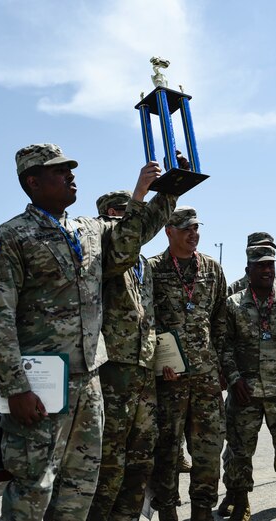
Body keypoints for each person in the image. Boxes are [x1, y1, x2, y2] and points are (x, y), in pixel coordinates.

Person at [0, 143, 177, 521]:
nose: (71, 176)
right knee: (32, 489)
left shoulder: (87, 230)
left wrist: (169, 190)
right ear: (32, 182)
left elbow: (133, 236)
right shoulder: (10, 237)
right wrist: (15, 387)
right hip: (39, 387)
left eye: (70, 169)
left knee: (79, 488)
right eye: (59, 171)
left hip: (89, 384)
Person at [220, 231, 276, 518]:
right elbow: (224, 345)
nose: (266, 269)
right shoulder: (233, 302)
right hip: (244, 391)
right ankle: (239, 499)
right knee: (238, 449)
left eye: (270, 263)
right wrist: (233, 378)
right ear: (248, 267)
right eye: (260, 264)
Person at [148, 206, 227, 521]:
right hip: (169, 380)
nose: (193, 234)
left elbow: (220, 319)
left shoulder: (211, 268)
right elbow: (144, 322)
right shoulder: (152, 269)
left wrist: (220, 364)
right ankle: (167, 510)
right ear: (169, 231)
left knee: (208, 451)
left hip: (206, 379)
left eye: (196, 228)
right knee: (166, 451)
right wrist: (156, 362)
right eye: (186, 229)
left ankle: (203, 511)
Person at [86, 190, 158, 520]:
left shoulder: (143, 263)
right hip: (113, 369)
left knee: (141, 459)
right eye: (128, 213)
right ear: (113, 215)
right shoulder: (101, 253)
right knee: (110, 462)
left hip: (143, 369)